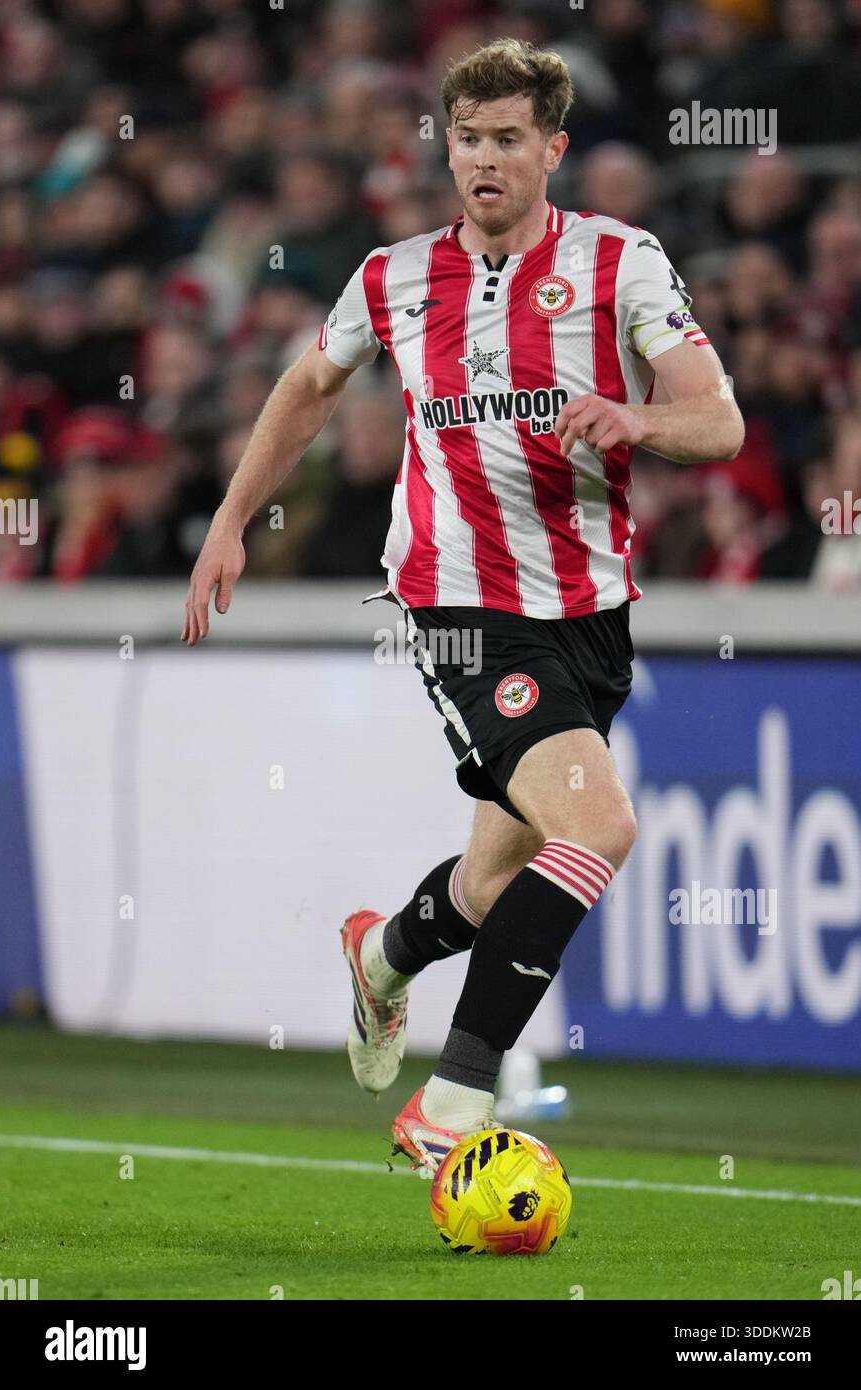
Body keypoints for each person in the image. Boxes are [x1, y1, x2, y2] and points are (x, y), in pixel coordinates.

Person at [181, 38, 744, 1173]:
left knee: (493, 884)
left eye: (504, 140)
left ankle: (382, 953)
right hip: (458, 603)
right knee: (600, 826)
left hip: (590, 612)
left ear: (551, 149)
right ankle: (452, 1105)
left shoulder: (619, 263)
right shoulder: (392, 275)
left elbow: (717, 419)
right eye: (465, 140)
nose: (481, 160)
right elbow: (305, 388)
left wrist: (638, 422)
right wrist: (231, 519)